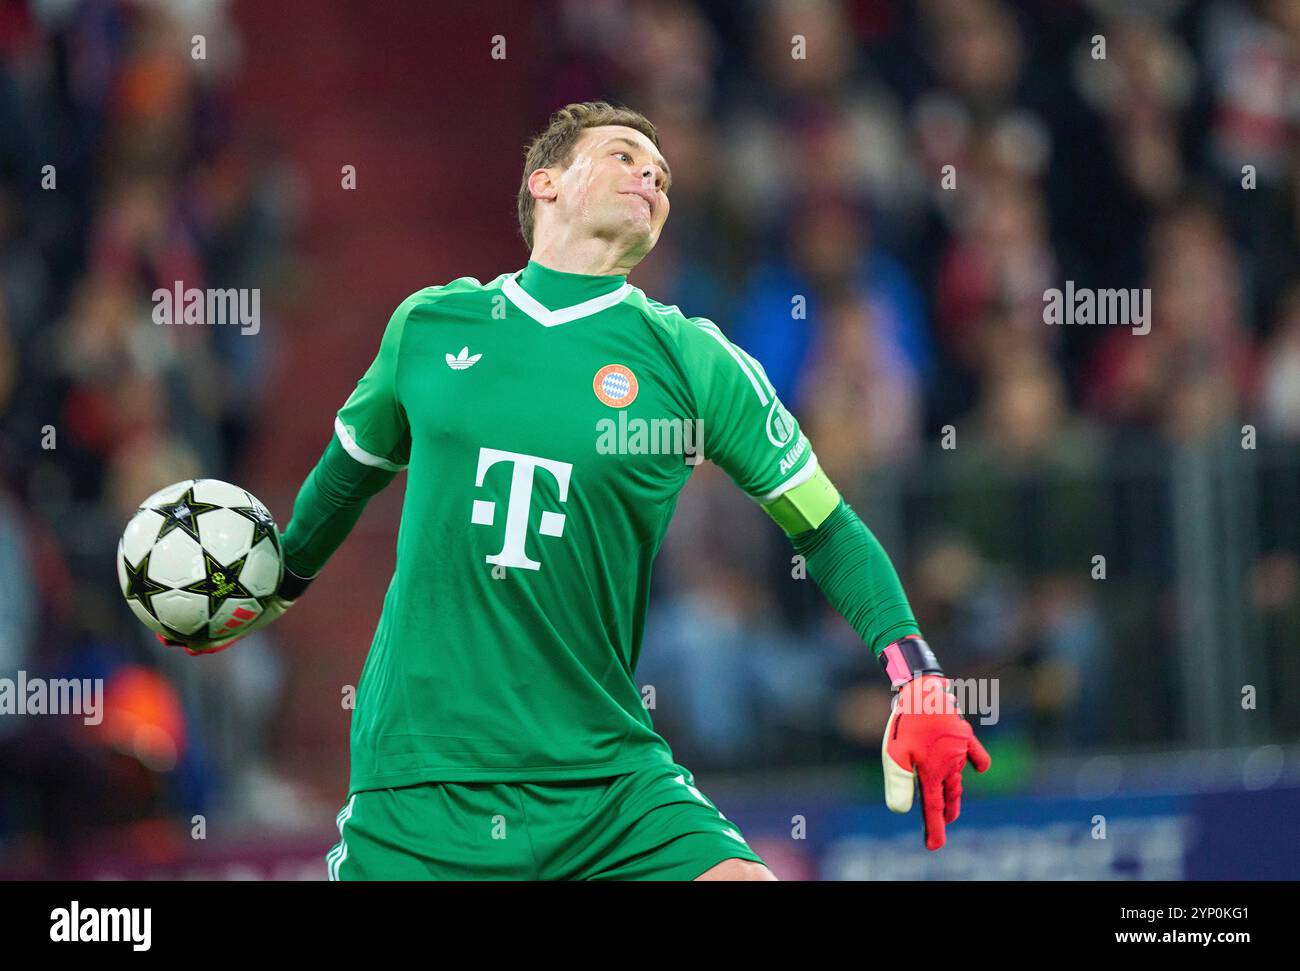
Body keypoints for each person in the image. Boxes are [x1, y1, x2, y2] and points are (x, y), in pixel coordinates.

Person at [160, 101, 989, 881]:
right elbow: (339, 488)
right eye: (625, 155)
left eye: (662, 171)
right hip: (424, 777)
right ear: (544, 183)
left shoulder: (695, 361)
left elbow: (828, 528)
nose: (652, 176)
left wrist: (914, 670)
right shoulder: (431, 327)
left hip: (604, 778)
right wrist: (261, 594)